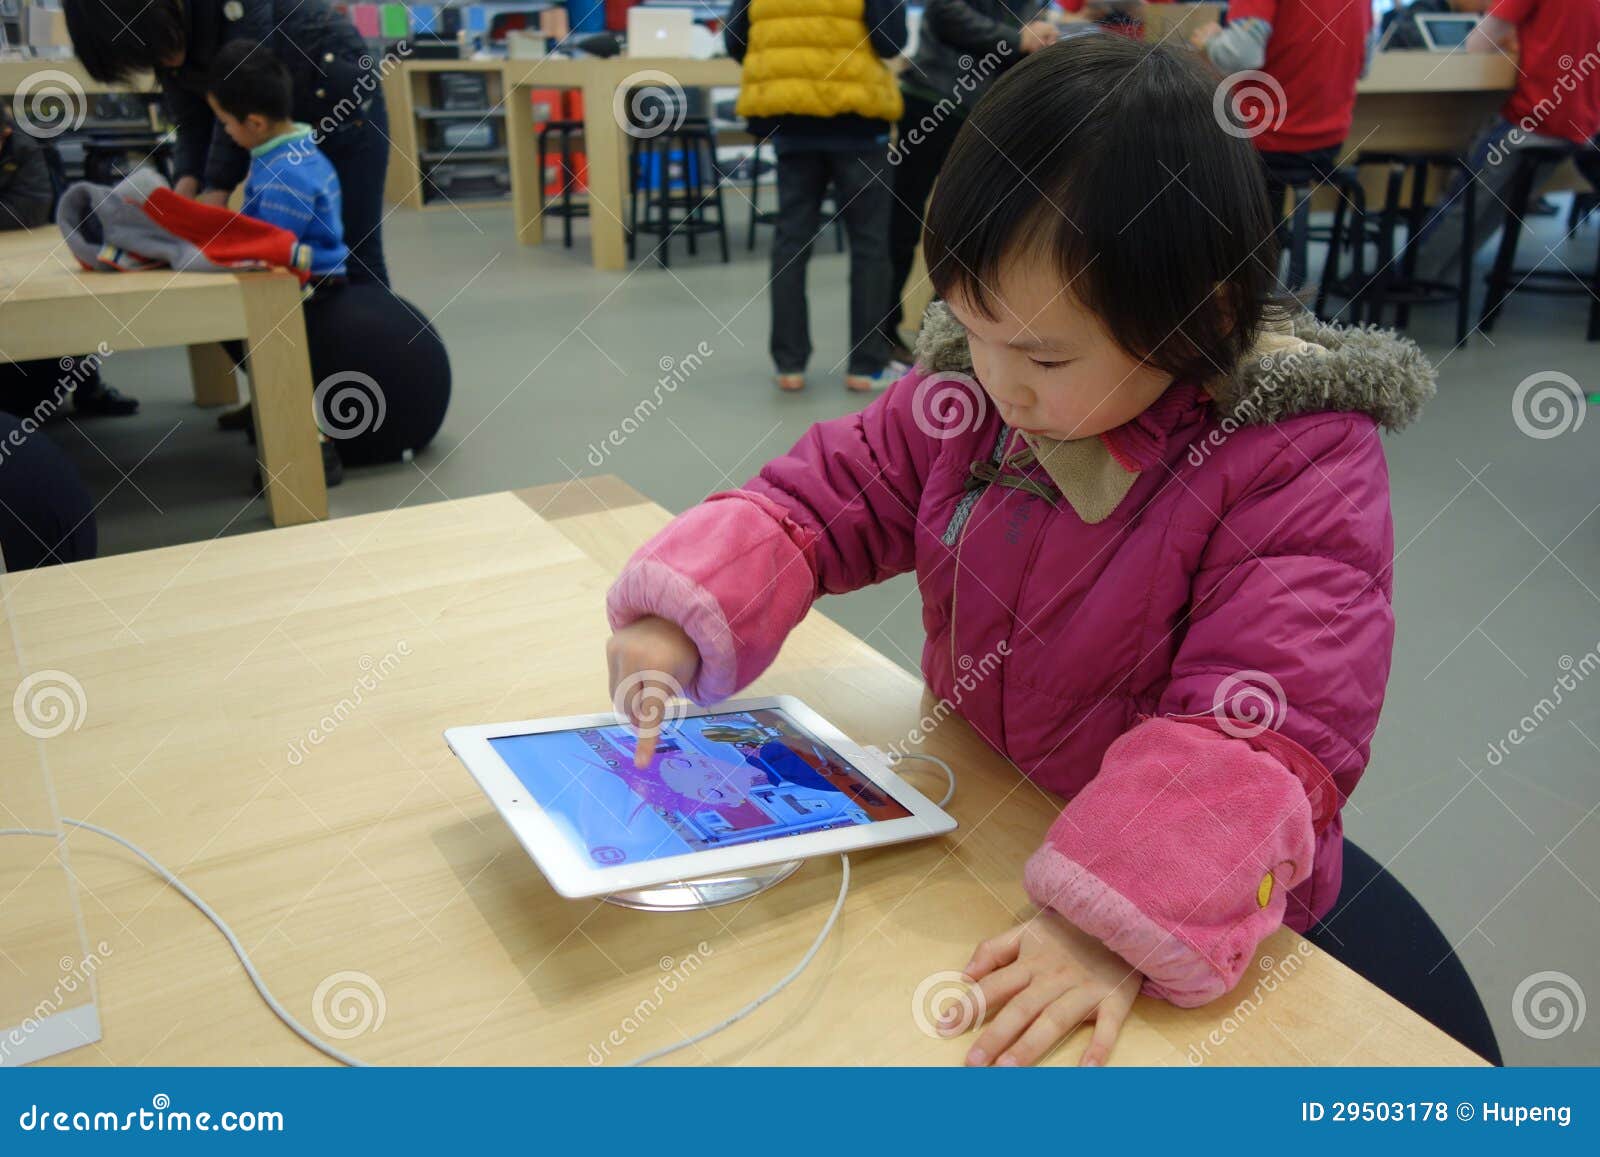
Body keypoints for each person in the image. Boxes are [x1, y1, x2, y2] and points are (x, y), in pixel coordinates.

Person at [604, 37, 1500, 1067]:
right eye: (970, 326)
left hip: (1173, 900)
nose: (1000, 381)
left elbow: (1257, 728)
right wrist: (685, 608)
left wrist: (1107, 922)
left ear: (1199, 316)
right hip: (1000, 809)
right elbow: (829, 495)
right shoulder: (976, 391)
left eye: (1042, 353)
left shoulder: (1294, 460)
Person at [61, 0, 391, 287]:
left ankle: (379, 335)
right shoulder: (164, 37)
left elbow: (238, 90)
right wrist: (185, 189)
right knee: (295, 268)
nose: (166, 62)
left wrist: (215, 190)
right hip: (282, 122)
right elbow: (192, 118)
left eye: (158, 50)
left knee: (356, 255)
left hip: (335, 95)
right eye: (152, 59)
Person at [724, 0, 908, 392]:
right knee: (870, 245)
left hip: (791, 122)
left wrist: (786, 66)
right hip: (858, 123)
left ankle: (789, 365)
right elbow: (890, 41)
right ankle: (866, 366)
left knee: (790, 242)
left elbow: (735, 41)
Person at [882, 1, 1057, 361]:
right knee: (902, 223)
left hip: (986, 109)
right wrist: (1017, 39)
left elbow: (1026, 24)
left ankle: (942, 335)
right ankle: (883, 332)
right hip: (936, 99)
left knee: (972, 229)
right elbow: (945, 11)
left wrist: (1038, 35)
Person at [1413, 0, 1600, 282]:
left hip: (1532, 121)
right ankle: (1439, 278)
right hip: (1581, 126)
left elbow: (1478, 44)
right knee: (1494, 206)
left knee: (1464, 199)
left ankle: (1410, 277)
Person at [0, 107, 141, 418]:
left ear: (5, 133)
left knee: (70, 291)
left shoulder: (25, 147)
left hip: (32, 251)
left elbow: (29, 209)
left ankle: (87, 385)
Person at [1191, 1, 1371, 242]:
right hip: (1328, 141)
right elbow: (1364, 65)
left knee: (1180, 140)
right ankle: (1266, 243)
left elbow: (1241, 54)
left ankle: (1230, 255)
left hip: (1262, 138)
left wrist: (1210, 42)